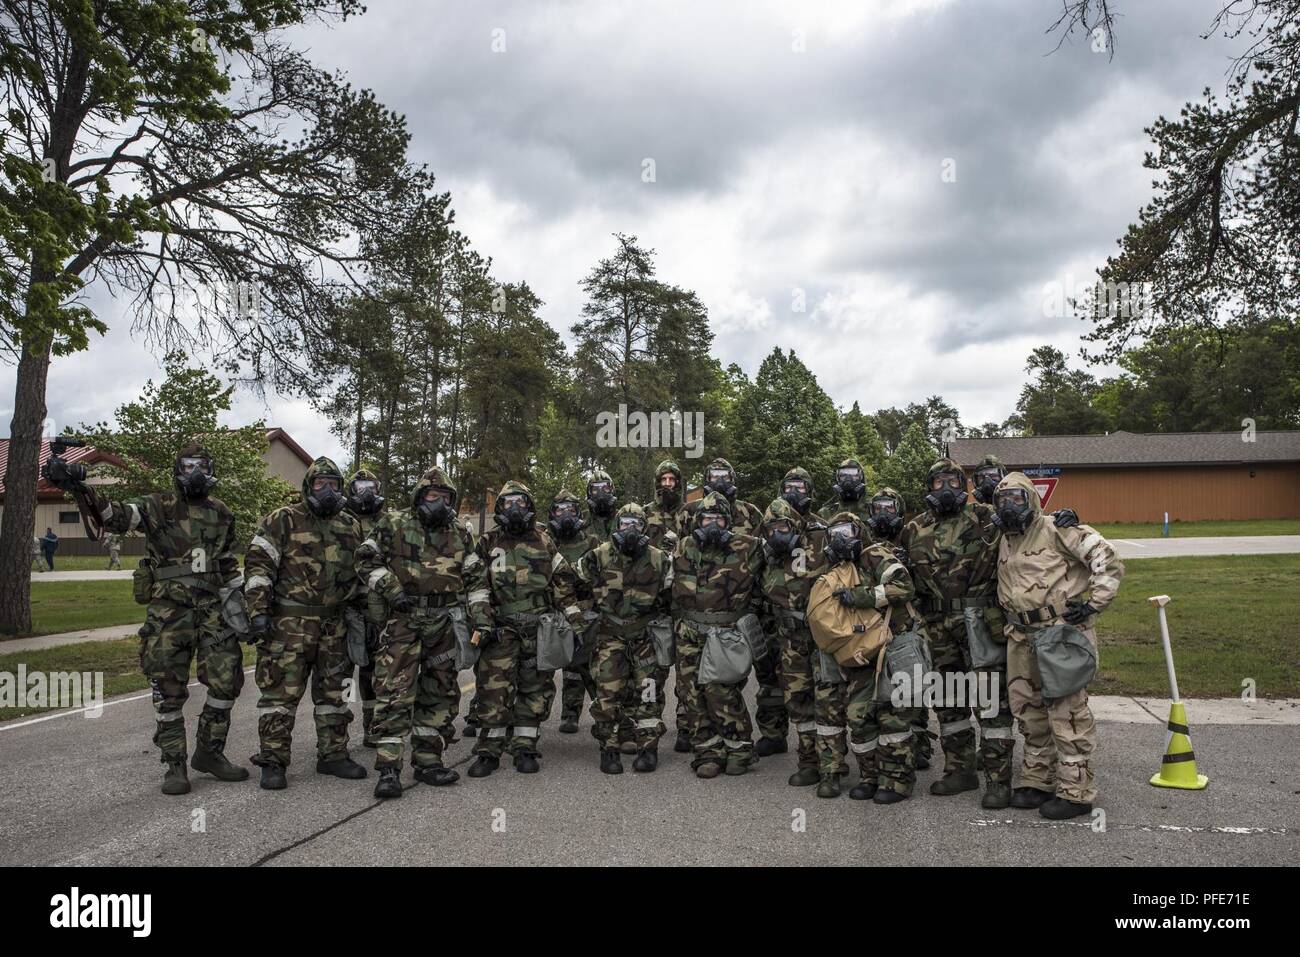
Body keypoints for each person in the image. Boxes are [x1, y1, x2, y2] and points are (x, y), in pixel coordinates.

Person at [49, 442, 247, 794]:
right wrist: (80, 486)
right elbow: (114, 516)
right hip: (169, 613)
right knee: (168, 688)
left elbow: (228, 564)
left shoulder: (222, 512)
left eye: (201, 465)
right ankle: (174, 766)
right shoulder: (158, 506)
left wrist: (244, 608)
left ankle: (209, 753)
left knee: (226, 682)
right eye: (188, 466)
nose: (196, 472)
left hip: (214, 613)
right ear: (177, 470)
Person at [994, 472, 1124, 819]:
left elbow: (1105, 556)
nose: (1009, 506)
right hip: (1020, 637)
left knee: (1066, 711)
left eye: (1017, 499)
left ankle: (1076, 790)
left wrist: (1095, 602)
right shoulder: (1005, 538)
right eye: (1002, 500)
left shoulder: (1056, 528)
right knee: (1029, 711)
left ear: (1032, 501)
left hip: (1058, 635)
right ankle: (1038, 780)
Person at [356, 466, 488, 800]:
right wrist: (390, 590)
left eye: (446, 498)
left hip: (443, 622)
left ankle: (429, 760)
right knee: (395, 693)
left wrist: (482, 620)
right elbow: (366, 560)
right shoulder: (394, 523)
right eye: (433, 496)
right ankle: (388, 768)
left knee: (440, 690)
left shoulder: (459, 532)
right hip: (402, 619)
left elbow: (475, 579)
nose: (440, 503)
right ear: (419, 496)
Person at [245, 457, 367, 790]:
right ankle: (272, 760)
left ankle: (333, 755)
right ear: (307, 486)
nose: (327, 491)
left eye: (334, 485)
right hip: (289, 624)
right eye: (319, 484)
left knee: (335, 695)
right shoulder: (282, 520)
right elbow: (258, 567)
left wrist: (366, 616)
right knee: (280, 696)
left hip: (334, 626)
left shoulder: (350, 524)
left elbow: (361, 574)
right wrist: (258, 612)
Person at [466, 481, 584, 777]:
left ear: (529, 506)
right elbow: (476, 586)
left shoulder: (545, 541)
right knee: (493, 690)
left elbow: (563, 584)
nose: (514, 508)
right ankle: (488, 752)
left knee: (535, 688)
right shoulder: (487, 543)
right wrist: (482, 620)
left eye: (520, 502)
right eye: (508, 503)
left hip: (537, 629)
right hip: (500, 630)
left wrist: (575, 622)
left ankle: (525, 747)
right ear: (500, 508)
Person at [824, 512, 927, 804]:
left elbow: (904, 587)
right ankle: (870, 776)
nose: (841, 540)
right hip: (861, 650)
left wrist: (863, 596)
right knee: (859, 716)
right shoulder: (840, 567)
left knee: (893, 717)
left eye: (847, 532)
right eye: (835, 534)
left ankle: (896, 781)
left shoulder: (876, 556)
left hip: (895, 644)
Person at [758, 497, 849, 797]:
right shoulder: (767, 555)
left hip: (821, 636)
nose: (778, 532)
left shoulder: (822, 540)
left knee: (828, 700)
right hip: (789, 639)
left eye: (784, 526)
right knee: (798, 700)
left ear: (795, 523)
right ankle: (808, 761)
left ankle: (832, 769)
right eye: (772, 528)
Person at [672, 492, 764, 778]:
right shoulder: (682, 547)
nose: (713, 524)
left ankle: (739, 749)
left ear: (729, 522)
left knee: (722, 691)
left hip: (724, 631)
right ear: (697, 521)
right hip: (689, 632)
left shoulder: (748, 548)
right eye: (707, 519)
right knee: (691, 694)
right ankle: (707, 751)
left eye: (719, 519)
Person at [576, 504, 673, 773]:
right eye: (624, 524)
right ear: (616, 527)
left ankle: (648, 748)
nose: (629, 530)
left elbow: (672, 595)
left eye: (635, 525)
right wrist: (581, 614)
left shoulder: (660, 559)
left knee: (649, 692)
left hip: (644, 637)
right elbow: (571, 582)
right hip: (609, 637)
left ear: (644, 528)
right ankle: (609, 748)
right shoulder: (598, 556)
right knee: (608, 694)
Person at [866, 486, 934, 771]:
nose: (883, 514)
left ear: (900, 512)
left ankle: (920, 745)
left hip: (911, 620)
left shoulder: (913, 537)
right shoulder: (867, 543)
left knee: (913, 688)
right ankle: (889, 749)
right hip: (876, 626)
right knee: (885, 690)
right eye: (877, 508)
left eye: (889, 509)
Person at [641, 458, 693, 753]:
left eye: (673, 480)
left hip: (684, 600)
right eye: (664, 480)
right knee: (655, 668)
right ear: (657, 483)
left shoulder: (690, 514)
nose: (668, 485)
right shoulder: (645, 514)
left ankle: (685, 726)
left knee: (686, 670)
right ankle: (649, 726)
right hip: (655, 602)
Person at [549, 490, 600, 736]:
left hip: (587, 612)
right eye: (560, 510)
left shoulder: (592, 543)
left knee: (588, 666)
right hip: (554, 613)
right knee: (567, 666)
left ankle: (603, 713)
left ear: (579, 513)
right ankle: (569, 714)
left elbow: (602, 577)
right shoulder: (548, 541)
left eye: (570, 509)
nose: (565, 514)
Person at [343, 468, 386, 747]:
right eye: (360, 486)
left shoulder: (387, 523)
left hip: (378, 606)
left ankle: (373, 725)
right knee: (341, 673)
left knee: (375, 671)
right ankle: (335, 737)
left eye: (370, 486)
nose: (366, 492)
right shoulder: (340, 521)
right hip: (345, 607)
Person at [818, 459, 871, 523]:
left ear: (861, 477)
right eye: (843, 475)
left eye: (853, 474)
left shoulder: (873, 510)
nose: (848, 479)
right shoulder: (825, 513)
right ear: (838, 478)